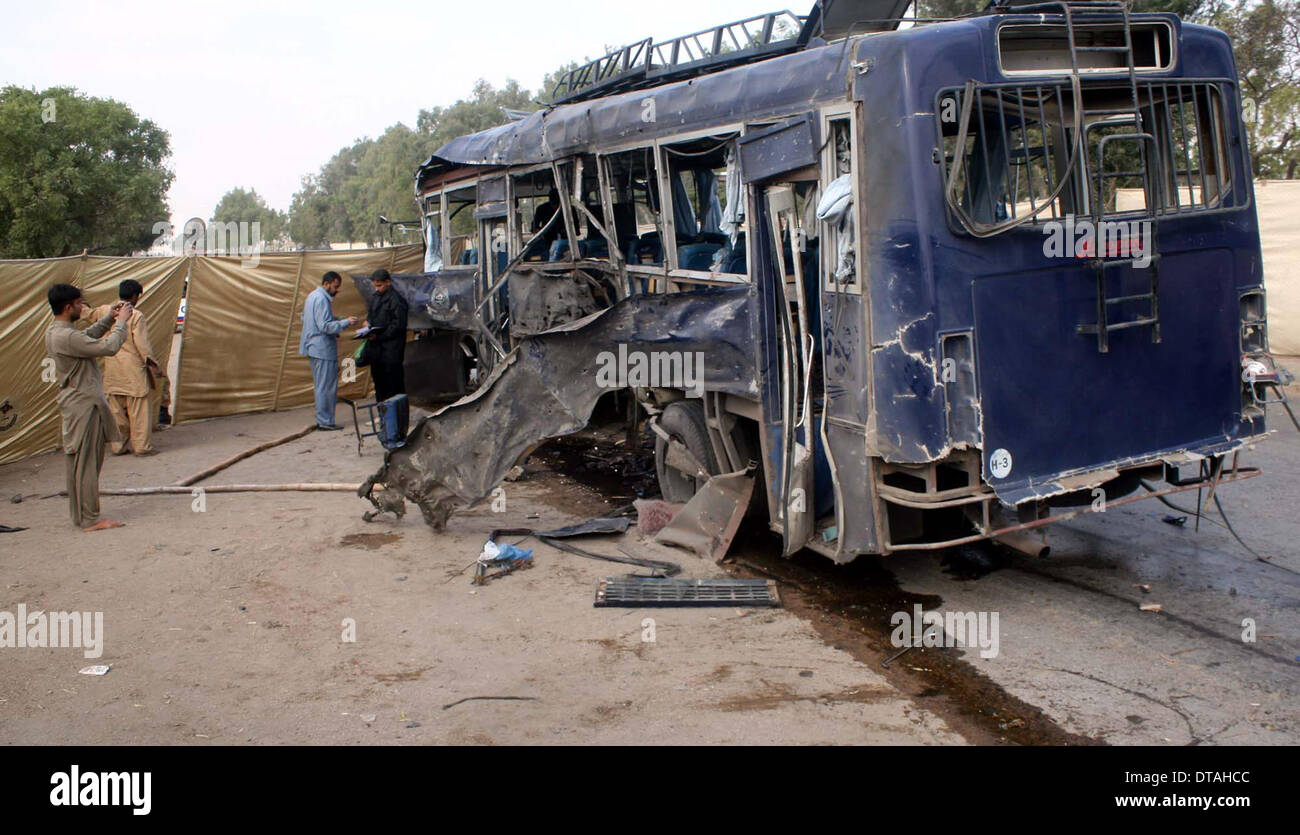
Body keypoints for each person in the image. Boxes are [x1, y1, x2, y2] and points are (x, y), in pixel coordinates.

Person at [44, 284, 133, 531]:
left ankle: (81, 515)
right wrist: (121, 322)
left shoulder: (57, 331)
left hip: (77, 402)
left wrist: (108, 318)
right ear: (67, 307)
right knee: (87, 463)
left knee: (79, 462)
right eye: (78, 304)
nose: (82, 308)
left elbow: (87, 338)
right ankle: (90, 518)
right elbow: (108, 347)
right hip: (83, 404)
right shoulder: (66, 335)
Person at [87, 279, 163, 455]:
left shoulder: (105, 310)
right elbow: (143, 346)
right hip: (133, 370)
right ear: (135, 296)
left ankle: (118, 446)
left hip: (112, 369)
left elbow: (88, 313)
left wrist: (81, 299)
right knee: (139, 412)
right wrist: (155, 367)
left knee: (116, 413)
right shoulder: (136, 315)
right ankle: (142, 447)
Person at [299, 271, 358, 431]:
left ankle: (323, 419)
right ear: (327, 283)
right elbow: (324, 326)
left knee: (321, 385)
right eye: (336, 286)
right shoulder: (321, 299)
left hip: (313, 347)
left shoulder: (312, 296)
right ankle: (325, 421)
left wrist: (336, 320)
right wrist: (345, 322)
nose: (337, 290)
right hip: (322, 349)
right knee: (326, 387)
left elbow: (306, 318)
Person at [362, 269, 408, 402]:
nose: (377, 289)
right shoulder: (376, 297)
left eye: (379, 285)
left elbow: (398, 326)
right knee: (379, 384)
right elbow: (371, 315)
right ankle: (383, 416)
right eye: (375, 286)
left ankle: (396, 419)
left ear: (388, 282)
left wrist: (379, 336)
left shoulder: (397, 301)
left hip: (391, 350)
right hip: (377, 350)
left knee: (393, 386)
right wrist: (368, 323)